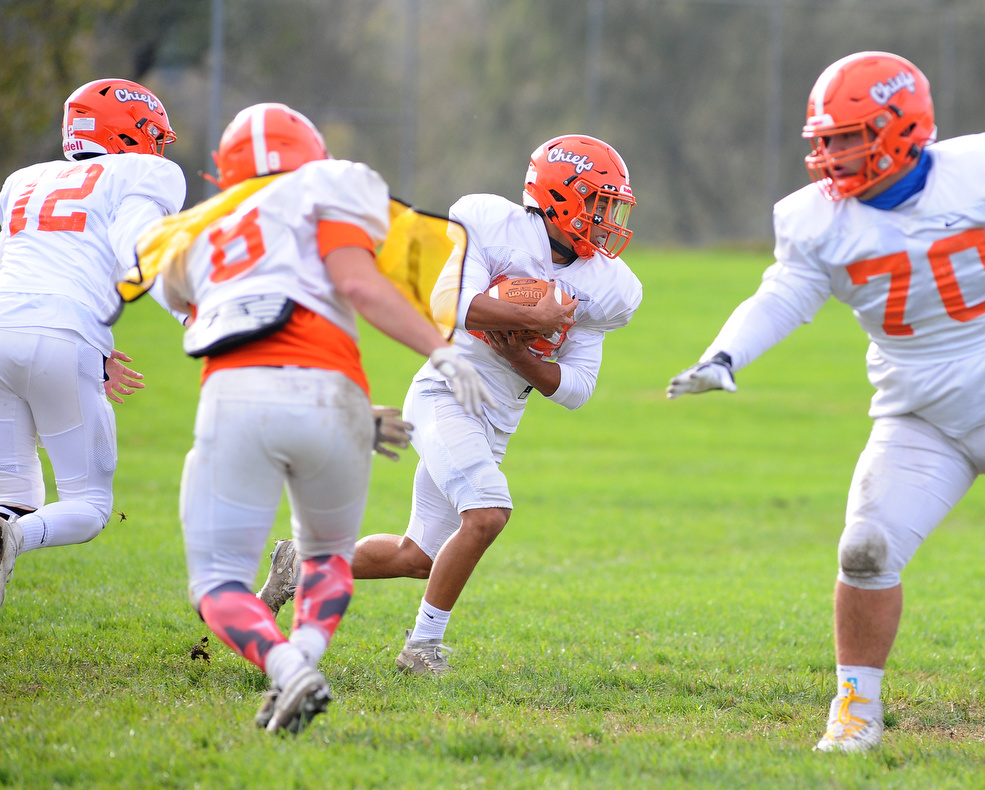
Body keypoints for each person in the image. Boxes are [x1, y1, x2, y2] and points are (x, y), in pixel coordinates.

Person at [668, 50, 985, 752]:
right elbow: (786, 294)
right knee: (864, 549)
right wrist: (724, 355)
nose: (831, 154)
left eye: (848, 136)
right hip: (921, 419)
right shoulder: (814, 219)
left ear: (901, 127)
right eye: (823, 139)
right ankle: (856, 711)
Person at [148, 102, 492, 734]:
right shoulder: (325, 192)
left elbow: (197, 309)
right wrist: (440, 350)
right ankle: (303, 659)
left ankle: (287, 667)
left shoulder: (195, 230)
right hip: (335, 398)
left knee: (218, 584)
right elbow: (357, 285)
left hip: (234, 398)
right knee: (327, 558)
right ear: (309, 155)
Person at [257, 133, 643, 676]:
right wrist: (528, 318)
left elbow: (577, 388)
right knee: (487, 514)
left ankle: (301, 561)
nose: (608, 220)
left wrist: (521, 356)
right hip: (444, 396)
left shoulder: (608, 287)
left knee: (418, 558)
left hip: (498, 419)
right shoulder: (493, 224)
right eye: (600, 203)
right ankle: (421, 649)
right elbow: (447, 304)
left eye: (613, 207)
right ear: (561, 195)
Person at [0, 78, 185, 611]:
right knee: (87, 506)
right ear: (131, 133)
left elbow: (30, 270)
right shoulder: (144, 172)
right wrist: (200, 318)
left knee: (12, 496)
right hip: (63, 338)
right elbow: (141, 252)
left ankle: (8, 532)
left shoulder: (22, 180)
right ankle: (15, 539)